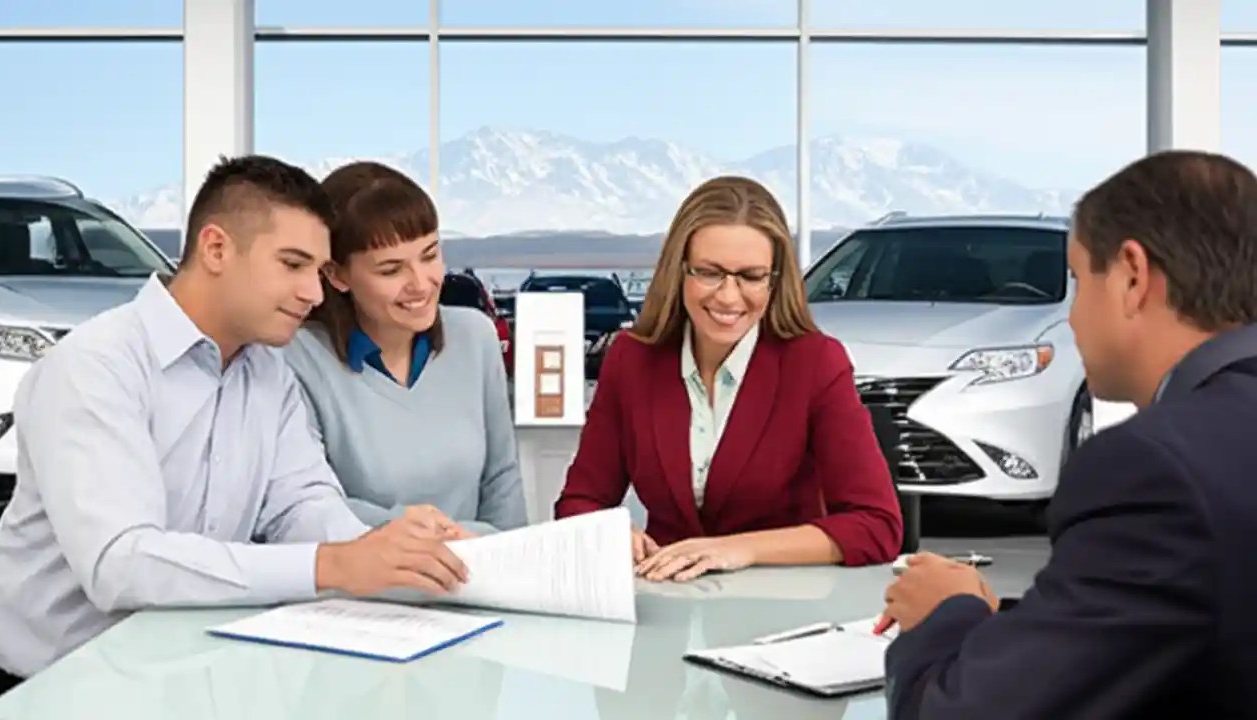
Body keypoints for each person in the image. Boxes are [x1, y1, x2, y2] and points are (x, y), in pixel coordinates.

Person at [0, 156, 468, 703]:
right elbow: (120, 565)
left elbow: (299, 504)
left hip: (190, 678)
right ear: (216, 249)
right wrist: (335, 564)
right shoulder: (94, 366)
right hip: (51, 688)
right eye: (293, 264)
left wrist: (388, 552)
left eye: (319, 270)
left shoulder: (268, 373)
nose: (314, 293)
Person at [880, 150, 1257, 718]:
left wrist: (945, 615)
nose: (1075, 317)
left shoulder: (1154, 468)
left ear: (1132, 276)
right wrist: (1021, 626)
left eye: (1078, 280)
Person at [554, 175, 902, 581]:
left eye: (751, 276)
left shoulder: (816, 363)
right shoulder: (632, 360)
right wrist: (609, 534)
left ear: (775, 280)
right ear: (678, 271)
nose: (728, 297)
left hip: (780, 616)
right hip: (667, 604)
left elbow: (877, 526)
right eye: (709, 272)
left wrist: (739, 549)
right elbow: (578, 503)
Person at [283, 161, 526, 535]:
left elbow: (503, 484)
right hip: (361, 587)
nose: (421, 284)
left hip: (478, 576)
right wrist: (416, 532)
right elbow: (304, 505)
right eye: (391, 270)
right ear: (337, 275)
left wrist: (497, 555)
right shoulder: (295, 359)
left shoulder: (475, 337)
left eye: (429, 255)